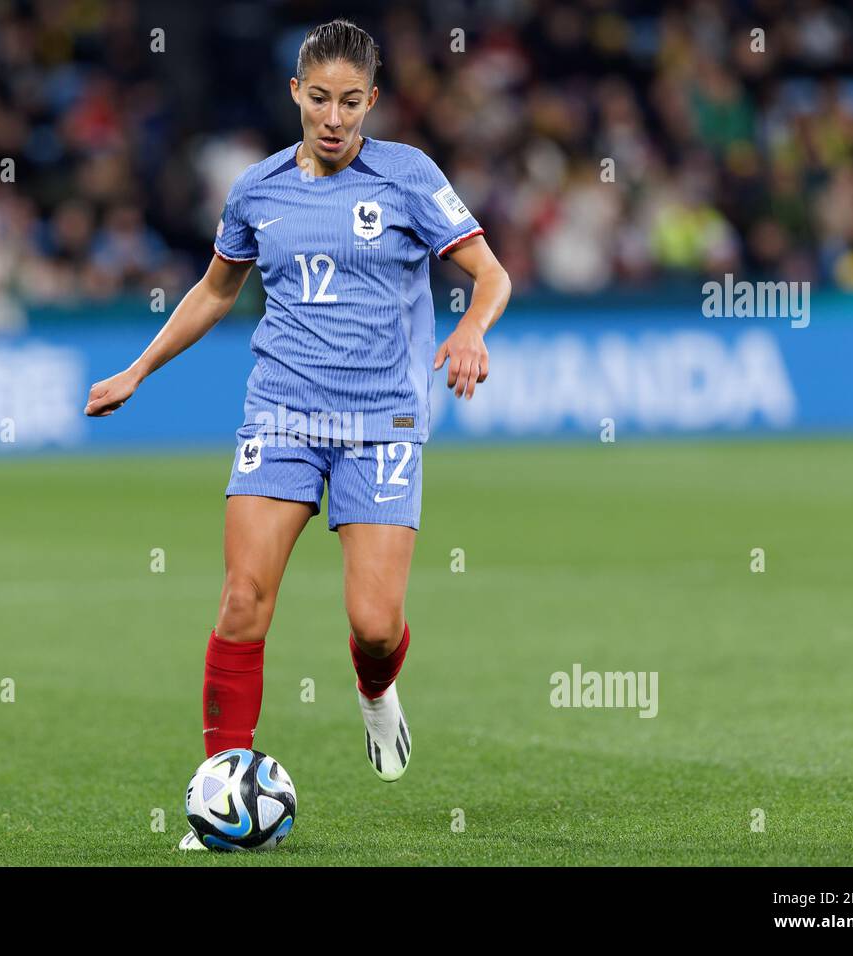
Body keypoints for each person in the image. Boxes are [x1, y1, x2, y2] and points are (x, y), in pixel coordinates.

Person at [83, 18, 511, 850]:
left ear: (372, 102)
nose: (336, 118)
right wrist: (138, 370)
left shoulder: (409, 178)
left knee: (376, 625)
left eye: (353, 102)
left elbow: (490, 273)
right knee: (243, 602)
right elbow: (214, 292)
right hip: (281, 414)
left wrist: (471, 332)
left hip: (381, 423)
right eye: (321, 99)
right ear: (296, 94)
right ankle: (219, 795)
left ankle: (376, 691)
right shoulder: (256, 191)